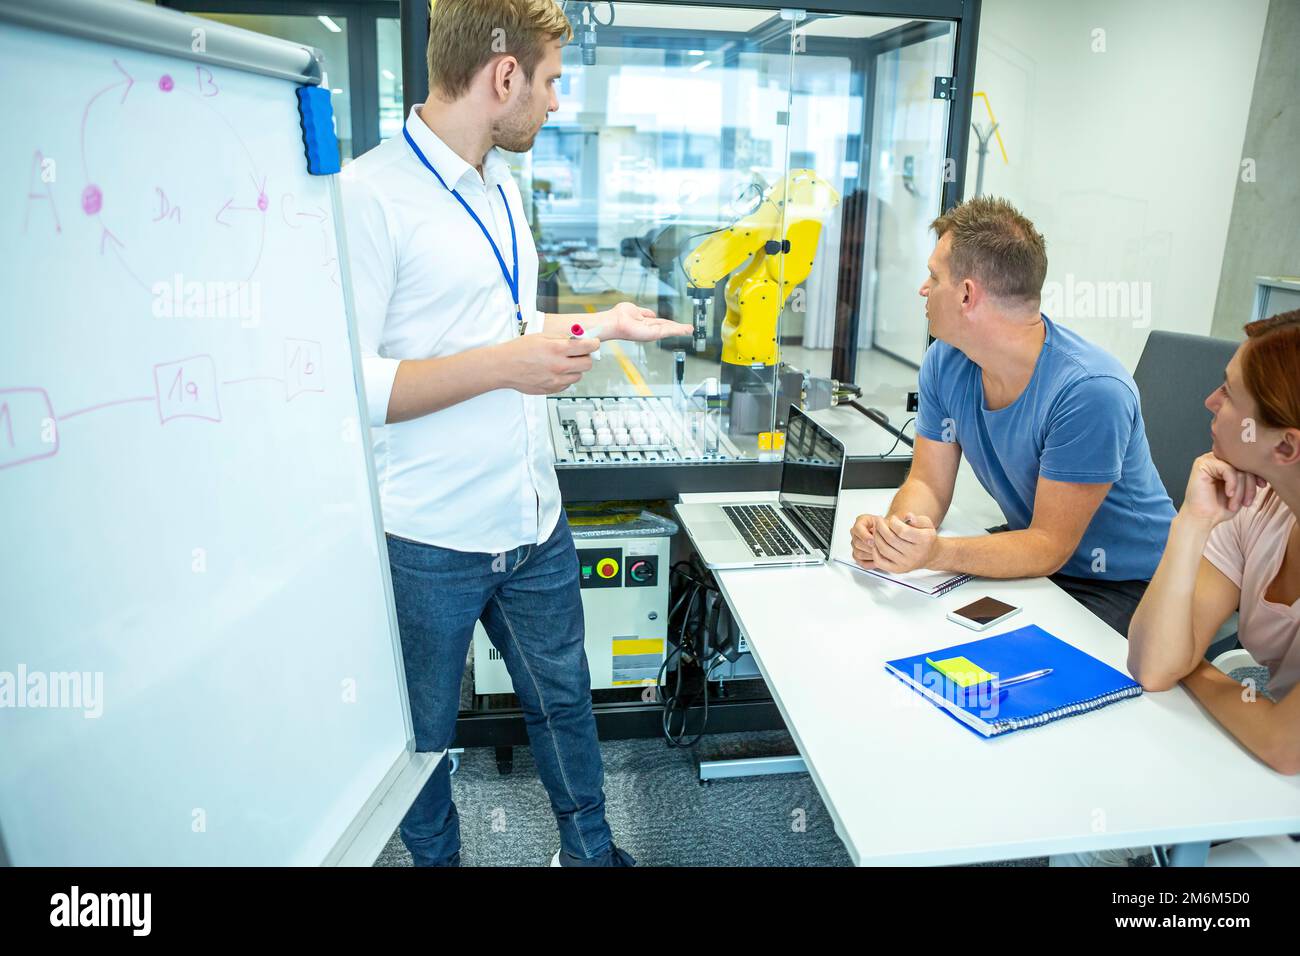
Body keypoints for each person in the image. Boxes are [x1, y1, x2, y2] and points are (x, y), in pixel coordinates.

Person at [340, 0, 692, 866]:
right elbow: (355, 388)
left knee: (565, 704)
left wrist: (599, 324)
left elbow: (505, 322)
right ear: (504, 77)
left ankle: (590, 853)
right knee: (424, 740)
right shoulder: (366, 196)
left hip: (531, 518)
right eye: (551, 83)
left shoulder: (499, 187)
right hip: (429, 538)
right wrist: (508, 364)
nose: (556, 103)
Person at [849, 197, 1175, 635]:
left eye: (933, 276)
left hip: (1129, 586)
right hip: (1039, 557)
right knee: (917, 623)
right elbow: (927, 482)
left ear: (967, 294)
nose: (923, 289)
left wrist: (936, 553)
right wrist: (900, 535)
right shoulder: (946, 362)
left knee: (992, 658)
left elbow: (1048, 547)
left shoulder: (1090, 390)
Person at [1128, 310, 1300, 775]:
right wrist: (1193, 520)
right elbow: (1153, 666)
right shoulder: (1265, 504)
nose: (1209, 401)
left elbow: (1285, 747)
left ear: (1285, 448)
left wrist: (1197, 668)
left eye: (1227, 392)